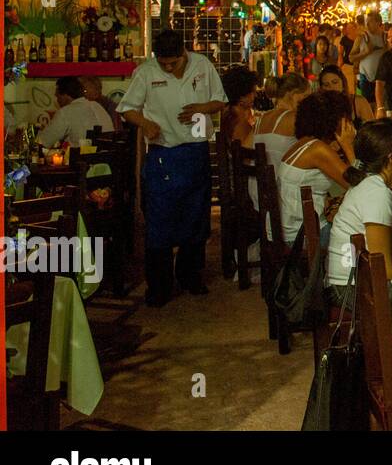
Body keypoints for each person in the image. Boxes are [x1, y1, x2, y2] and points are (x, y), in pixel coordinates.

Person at [117, 29, 228, 306]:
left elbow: (220, 101)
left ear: (184, 52)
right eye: (163, 64)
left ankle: (191, 276)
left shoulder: (203, 65)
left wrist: (201, 107)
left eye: (173, 63)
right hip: (162, 153)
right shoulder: (145, 72)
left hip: (196, 150)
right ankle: (159, 286)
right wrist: (145, 124)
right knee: (160, 219)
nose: (168, 68)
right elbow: (128, 108)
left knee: (196, 215)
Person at [326, 118, 392, 305]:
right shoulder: (376, 193)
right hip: (352, 288)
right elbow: (384, 269)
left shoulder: (369, 182)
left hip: (354, 280)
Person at [276, 90, 355, 246]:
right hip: (302, 239)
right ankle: (350, 269)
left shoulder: (303, 144)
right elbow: (359, 184)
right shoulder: (318, 149)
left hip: (289, 232)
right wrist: (348, 145)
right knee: (358, 229)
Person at [248, 73, 311, 206]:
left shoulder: (261, 119)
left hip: (257, 193)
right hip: (279, 197)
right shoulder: (295, 118)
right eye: (306, 97)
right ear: (293, 94)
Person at [37, 76, 113, 148]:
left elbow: (43, 141)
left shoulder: (65, 112)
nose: (57, 100)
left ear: (65, 96)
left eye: (57, 96)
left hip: (83, 159)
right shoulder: (97, 106)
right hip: (108, 158)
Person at [350, 11, 387, 102]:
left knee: (380, 104)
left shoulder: (385, 37)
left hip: (382, 78)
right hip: (365, 77)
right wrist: (366, 52)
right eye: (367, 21)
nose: (367, 24)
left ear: (378, 23)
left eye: (370, 21)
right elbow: (351, 58)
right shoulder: (361, 38)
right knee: (366, 104)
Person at [219, 66, 260, 147]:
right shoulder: (240, 122)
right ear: (241, 97)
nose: (255, 95)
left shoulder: (228, 112)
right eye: (253, 92)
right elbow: (247, 152)